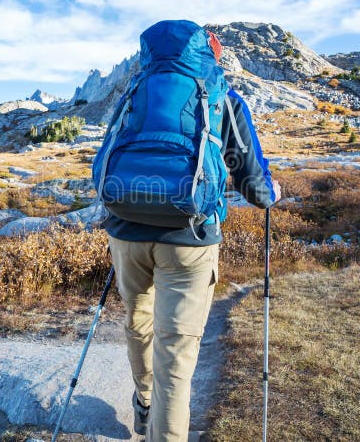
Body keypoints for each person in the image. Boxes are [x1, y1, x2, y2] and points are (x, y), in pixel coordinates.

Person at [102, 23, 280, 441]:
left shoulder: (135, 92)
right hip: (190, 240)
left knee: (138, 323)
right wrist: (270, 193)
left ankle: (142, 403)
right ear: (209, 55)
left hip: (126, 232)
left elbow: (106, 158)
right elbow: (252, 183)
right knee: (175, 364)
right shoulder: (221, 96)